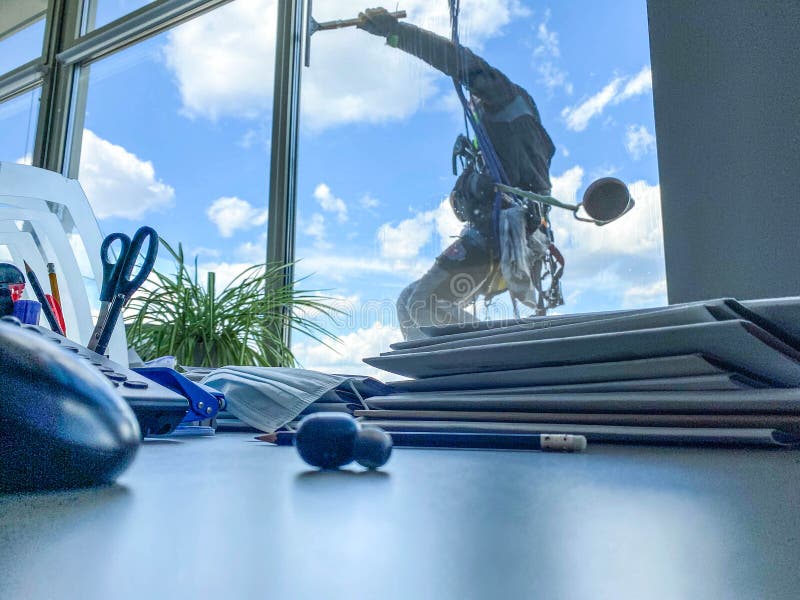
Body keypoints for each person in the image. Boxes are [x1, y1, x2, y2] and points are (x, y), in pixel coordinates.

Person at [357, 7, 557, 340]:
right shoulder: (511, 126)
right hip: (501, 233)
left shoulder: (503, 95)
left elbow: (457, 61)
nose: (473, 101)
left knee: (424, 303)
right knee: (409, 300)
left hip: (503, 234)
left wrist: (397, 32)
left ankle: (493, 356)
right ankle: (437, 378)